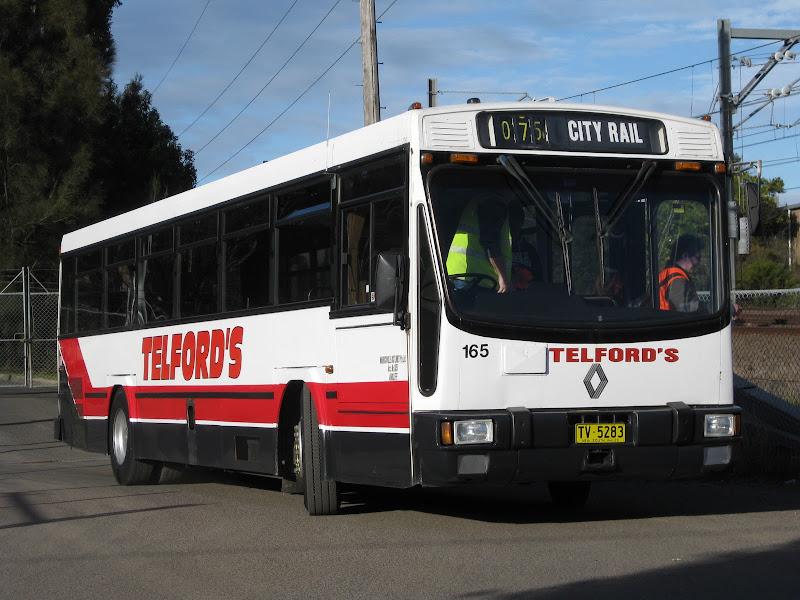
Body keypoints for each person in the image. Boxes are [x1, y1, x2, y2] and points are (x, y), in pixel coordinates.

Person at [447, 192, 513, 293]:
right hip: (476, 279)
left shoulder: (479, 200)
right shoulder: (494, 203)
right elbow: (491, 243)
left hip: (465, 275)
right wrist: (503, 277)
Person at [659, 234, 703, 311]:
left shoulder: (667, 273)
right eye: (698, 258)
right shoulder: (677, 279)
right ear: (685, 256)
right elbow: (688, 308)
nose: (699, 262)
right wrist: (714, 308)